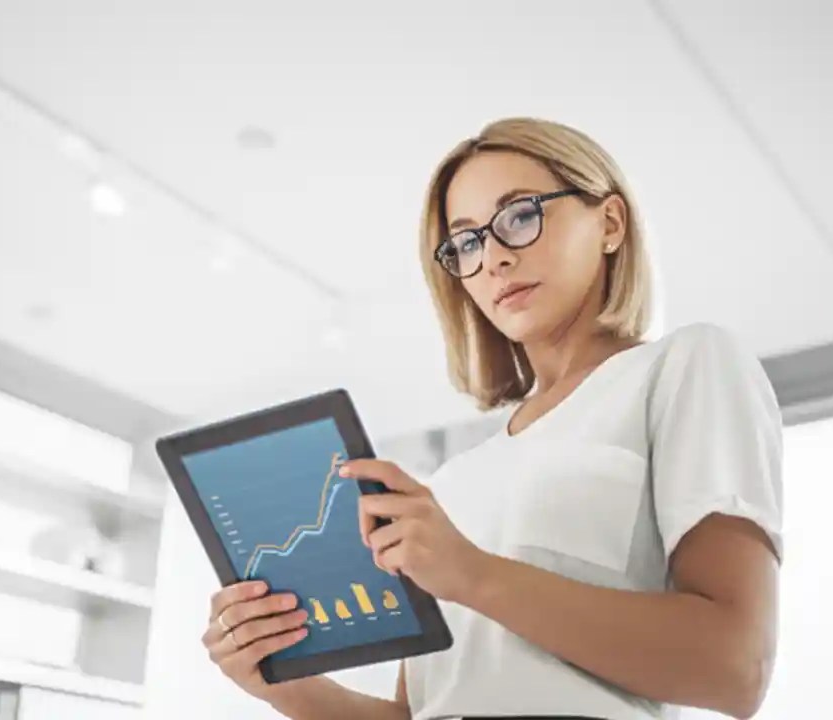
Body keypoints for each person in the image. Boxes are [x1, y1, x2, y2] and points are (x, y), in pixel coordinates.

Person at [201, 117, 784, 720]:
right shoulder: (455, 482)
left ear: (609, 223)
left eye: (521, 216)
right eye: (468, 242)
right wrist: (280, 683)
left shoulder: (684, 365)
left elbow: (736, 668)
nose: (495, 259)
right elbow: (422, 712)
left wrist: (471, 574)